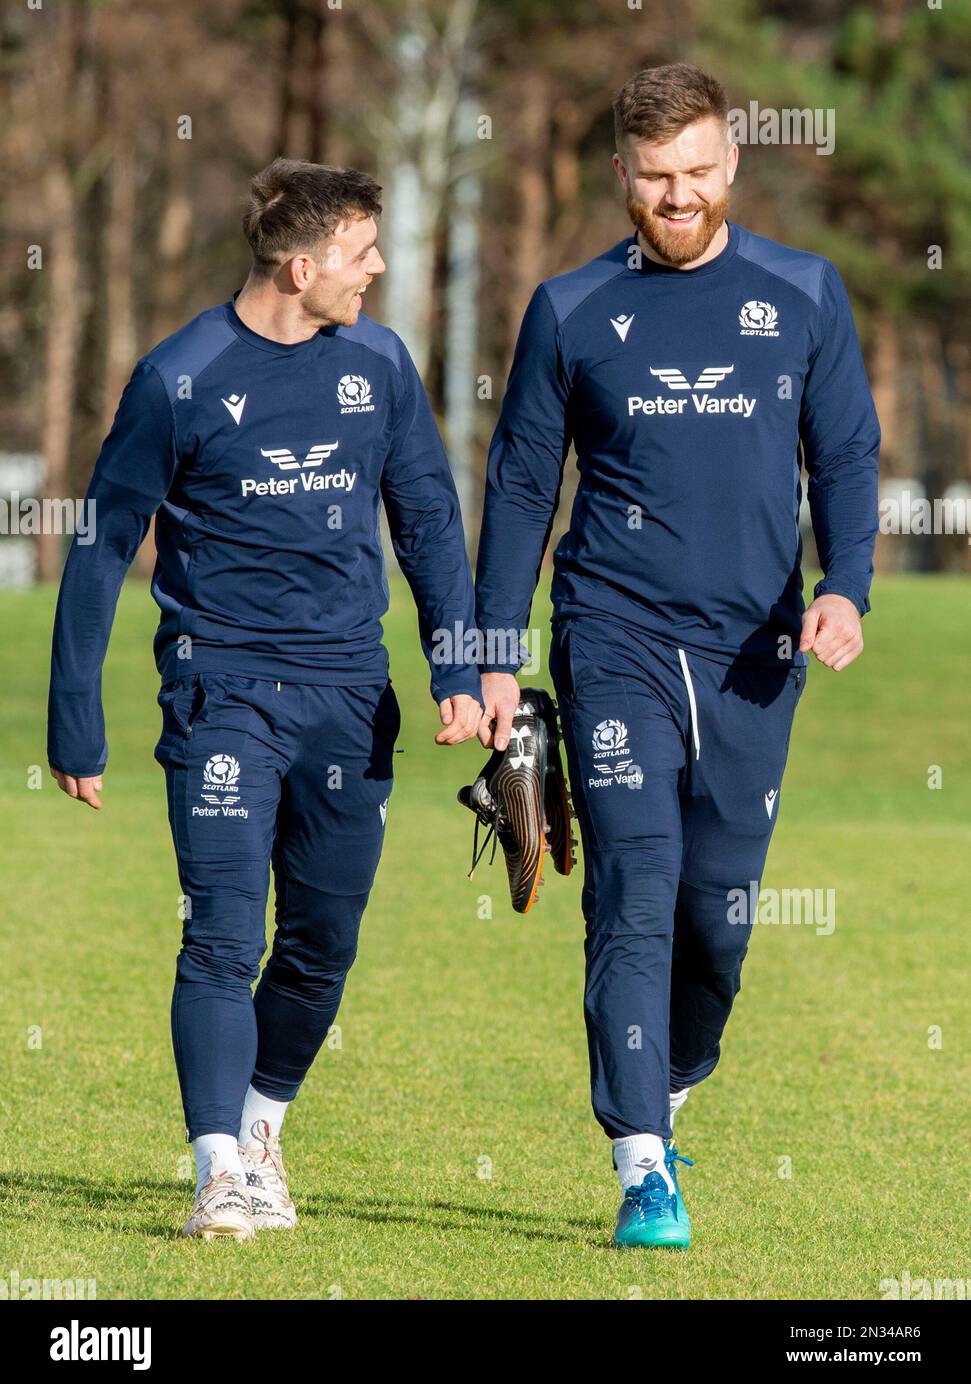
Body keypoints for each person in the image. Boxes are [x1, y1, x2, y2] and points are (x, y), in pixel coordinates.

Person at [473, 64, 879, 1248]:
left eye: (698, 171)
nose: (678, 194)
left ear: (732, 163)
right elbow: (516, 483)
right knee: (635, 885)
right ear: (619, 177)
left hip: (755, 650)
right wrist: (496, 653)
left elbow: (845, 454)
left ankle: (674, 1080)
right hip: (612, 631)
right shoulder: (569, 309)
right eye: (654, 177)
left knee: (718, 919)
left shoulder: (802, 293)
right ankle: (642, 1163)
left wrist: (844, 585)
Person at [47, 158, 483, 1241]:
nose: (377, 269)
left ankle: (259, 1131)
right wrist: (75, 717)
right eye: (361, 252)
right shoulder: (177, 376)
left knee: (322, 941)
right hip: (222, 690)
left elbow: (425, 516)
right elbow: (103, 544)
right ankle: (214, 1174)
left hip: (349, 695)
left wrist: (457, 667)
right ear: (300, 265)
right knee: (221, 933)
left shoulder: (378, 363)